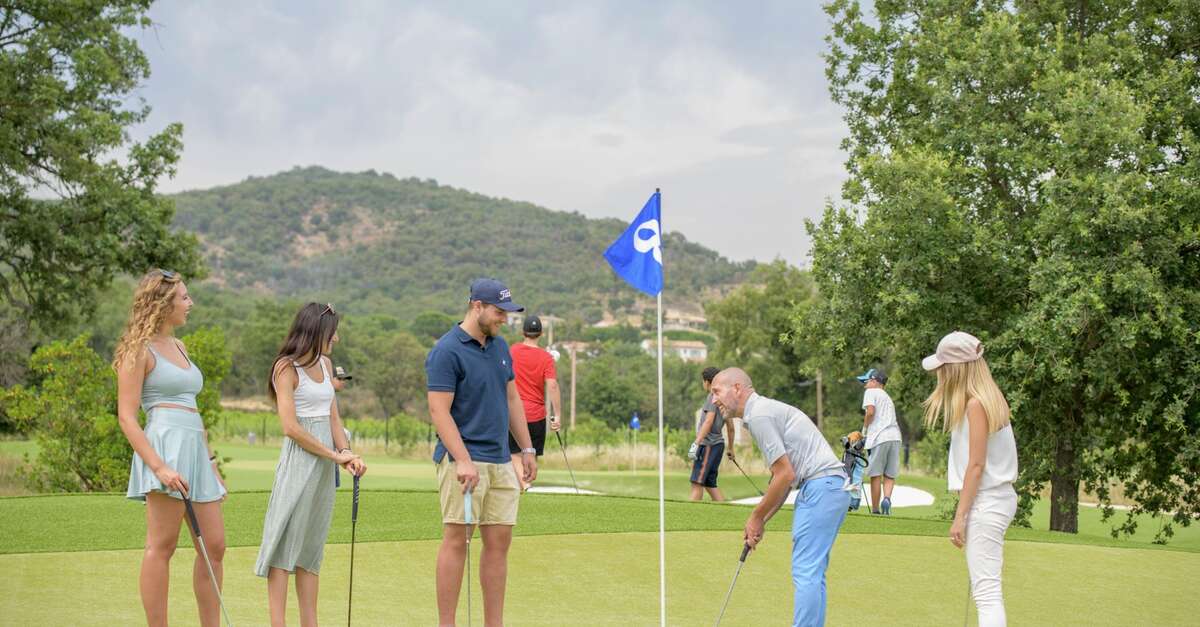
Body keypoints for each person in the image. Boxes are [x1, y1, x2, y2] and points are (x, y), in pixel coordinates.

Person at [115, 269, 227, 627]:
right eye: (184, 297)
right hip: (164, 451)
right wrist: (159, 467)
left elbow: (193, 410)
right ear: (163, 304)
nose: (190, 303)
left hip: (195, 451)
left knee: (215, 546)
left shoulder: (180, 346)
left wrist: (210, 462)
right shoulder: (138, 349)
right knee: (162, 546)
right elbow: (127, 418)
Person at [427, 278, 538, 627]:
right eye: (499, 312)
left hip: (501, 459)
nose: (504, 318)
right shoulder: (447, 350)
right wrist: (461, 459)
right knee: (458, 538)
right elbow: (439, 411)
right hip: (463, 459)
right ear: (477, 306)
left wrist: (527, 447)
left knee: (499, 541)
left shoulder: (500, 347)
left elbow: (512, 399)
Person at [710, 367, 849, 627]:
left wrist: (755, 516)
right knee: (812, 573)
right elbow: (782, 480)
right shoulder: (761, 412)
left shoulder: (759, 414)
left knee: (806, 572)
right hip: (826, 486)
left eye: (717, 391)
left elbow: (785, 474)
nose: (713, 399)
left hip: (821, 486)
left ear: (737, 388)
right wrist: (762, 520)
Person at [255, 302, 366, 627]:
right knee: (284, 548)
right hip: (299, 464)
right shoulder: (285, 368)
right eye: (333, 332)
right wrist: (334, 455)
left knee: (310, 549)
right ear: (317, 332)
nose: (338, 338)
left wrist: (347, 453)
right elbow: (290, 427)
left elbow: (333, 416)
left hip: (324, 467)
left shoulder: (326, 364)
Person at [922, 331, 1019, 627]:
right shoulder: (990, 398)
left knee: (987, 593)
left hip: (987, 503)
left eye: (942, 368)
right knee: (987, 590)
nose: (938, 374)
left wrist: (959, 516)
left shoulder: (976, 405)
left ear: (955, 369)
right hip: (998, 499)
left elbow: (976, 465)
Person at [508, 314, 562, 490]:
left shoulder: (512, 351)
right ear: (540, 334)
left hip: (515, 414)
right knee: (531, 455)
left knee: (515, 454)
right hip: (537, 416)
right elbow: (552, 386)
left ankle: (525, 487)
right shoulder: (546, 358)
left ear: (523, 332)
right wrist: (558, 416)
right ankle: (527, 485)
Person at [857, 368, 902, 514]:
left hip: (879, 438)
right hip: (895, 437)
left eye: (867, 381)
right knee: (889, 473)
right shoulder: (887, 397)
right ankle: (887, 499)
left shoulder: (870, 392)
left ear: (875, 381)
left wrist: (864, 430)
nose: (864, 384)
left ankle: (875, 510)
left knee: (875, 474)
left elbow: (870, 412)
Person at [688, 366, 734, 501]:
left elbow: (708, 422)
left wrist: (696, 443)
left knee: (697, 482)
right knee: (710, 484)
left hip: (708, 445)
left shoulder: (712, 397)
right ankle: (725, 512)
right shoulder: (724, 398)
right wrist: (731, 448)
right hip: (718, 445)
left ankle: (689, 513)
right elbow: (731, 427)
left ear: (707, 382)